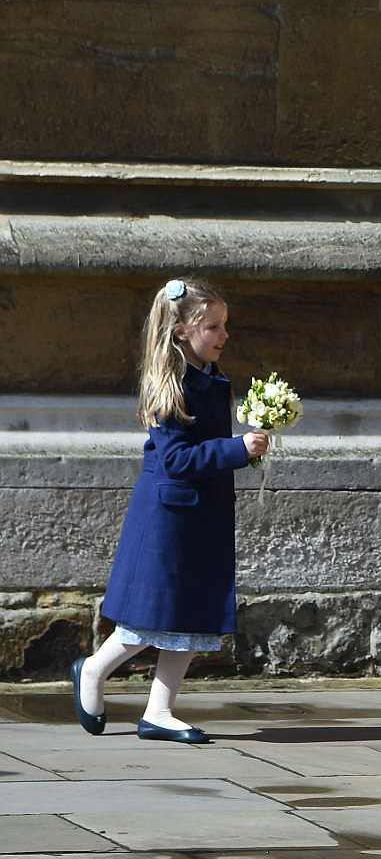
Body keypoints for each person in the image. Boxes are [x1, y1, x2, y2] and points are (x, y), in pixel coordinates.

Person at [69, 277, 269, 744]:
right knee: (150, 616)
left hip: (202, 514)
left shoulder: (212, 378)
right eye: (213, 326)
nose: (224, 335)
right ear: (181, 331)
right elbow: (177, 460)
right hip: (170, 517)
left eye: (225, 325)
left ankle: (158, 711)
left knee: (194, 616)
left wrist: (247, 445)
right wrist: (237, 449)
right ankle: (93, 671)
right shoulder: (172, 382)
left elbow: (207, 449)